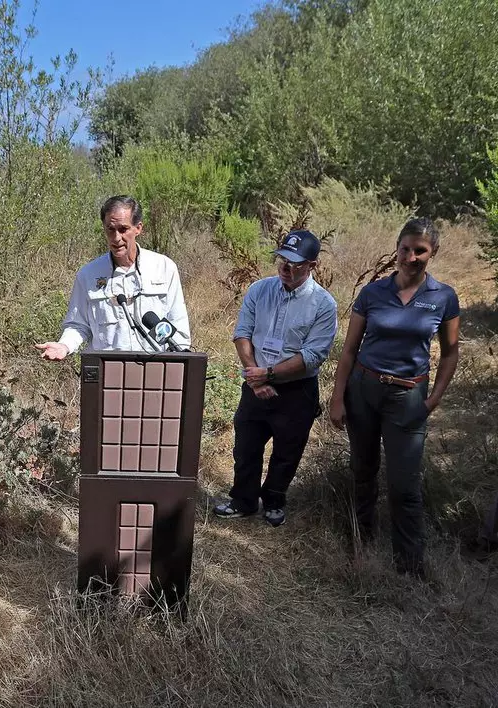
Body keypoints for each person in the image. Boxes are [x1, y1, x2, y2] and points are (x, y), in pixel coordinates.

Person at [328, 217, 460, 576]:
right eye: (406, 248)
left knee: (404, 484)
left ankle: (410, 563)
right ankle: (361, 540)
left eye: (421, 251)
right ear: (397, 249)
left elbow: (449, 353)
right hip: (363, 390)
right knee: (363, 470)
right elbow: (350, 350)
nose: (411, 257)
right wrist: (338, 397)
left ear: (432, 254)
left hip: (407, 396)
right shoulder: (373, 293)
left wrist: (432, 400)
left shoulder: (443, 297)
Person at [212, 231, 337, 527]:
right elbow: (242, 333)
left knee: (287, 451)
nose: (286, 267)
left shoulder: (323, 304)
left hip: (296, 391)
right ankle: (243, 500)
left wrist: (268, 374)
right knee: (246, 447)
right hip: (255, 383)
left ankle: (274, 500)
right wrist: (256, 378)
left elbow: (312, 356)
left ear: (312, 265)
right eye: (283, 259)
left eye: (295, 263)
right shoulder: (259, 290)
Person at [36, 195, 191, 360]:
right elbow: (77, 324)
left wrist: (182, 366)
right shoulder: (88, 275)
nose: (116, 238)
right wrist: (64, 345)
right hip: (107, 373)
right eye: (111, 229)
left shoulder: (164, 268)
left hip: (156, 370)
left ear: (138, 228)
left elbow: (178, 326)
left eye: (123, 229)